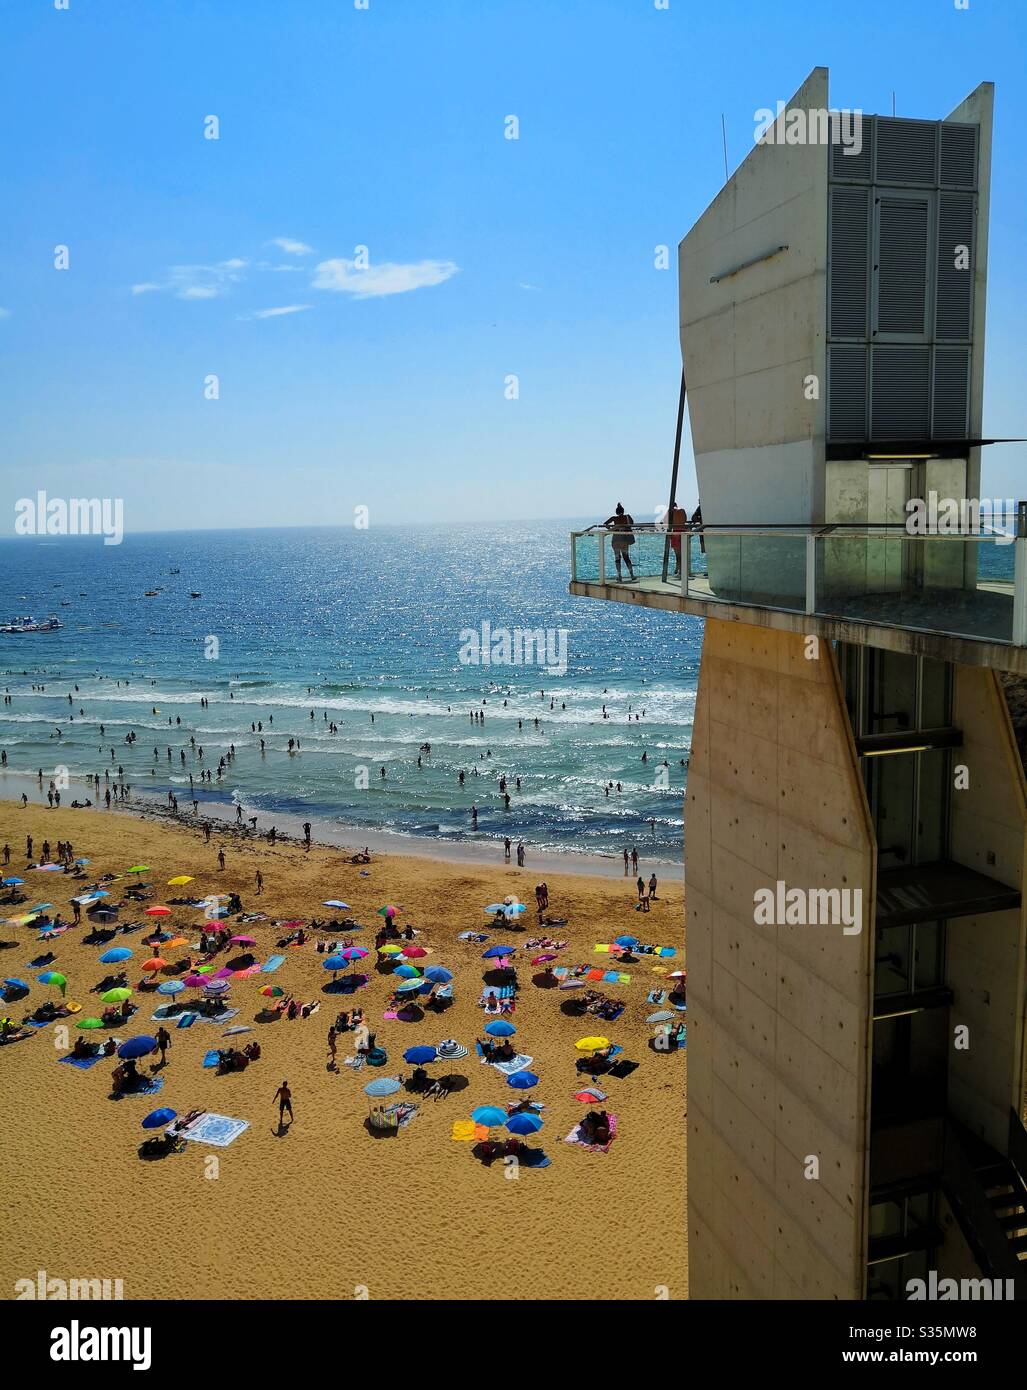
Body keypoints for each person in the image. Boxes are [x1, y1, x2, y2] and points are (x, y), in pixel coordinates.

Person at [601, 503, 635, 580]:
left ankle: (619, 576)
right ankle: (632, 575)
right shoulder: (627, 517)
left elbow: (605, 524)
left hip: (616, 539)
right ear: (623, 511)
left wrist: (613, 528)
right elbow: (632, 524)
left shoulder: (614, 518)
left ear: (616, 512)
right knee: (626, 557)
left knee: (617, 558)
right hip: (624, 539)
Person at [668, 501, 688, 575]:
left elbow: (667, 522)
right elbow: (685, 520)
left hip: (675, 532)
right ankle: (681, 569)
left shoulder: (671, 511)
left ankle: (678, 569)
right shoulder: (682, 510)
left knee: (677, 554)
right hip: (683, 531)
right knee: (682, 553)